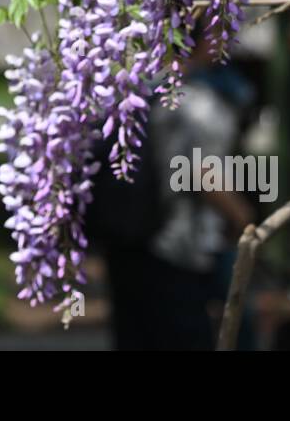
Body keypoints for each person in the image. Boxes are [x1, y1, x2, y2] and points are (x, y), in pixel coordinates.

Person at [87, 40, 257, 350]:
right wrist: (241, 216)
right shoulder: (197, 100)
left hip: (127, 239)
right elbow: (200, 173)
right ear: (204, 42)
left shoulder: (139, 89)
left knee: (136, 337)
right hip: (176, 249)